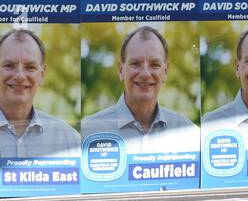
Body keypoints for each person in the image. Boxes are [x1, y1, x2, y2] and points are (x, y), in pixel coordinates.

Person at [0, 29, 81, 161]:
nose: (20, 76)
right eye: (9, 65)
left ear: (42, 74)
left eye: (30, 67)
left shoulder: (68, 139)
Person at [81, 26, 199, 155]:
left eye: (154, 65)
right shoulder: (89, 131)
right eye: (135, 64)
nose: (145, 73)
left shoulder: (188, 133)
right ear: (121, 70)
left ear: (165, 72)